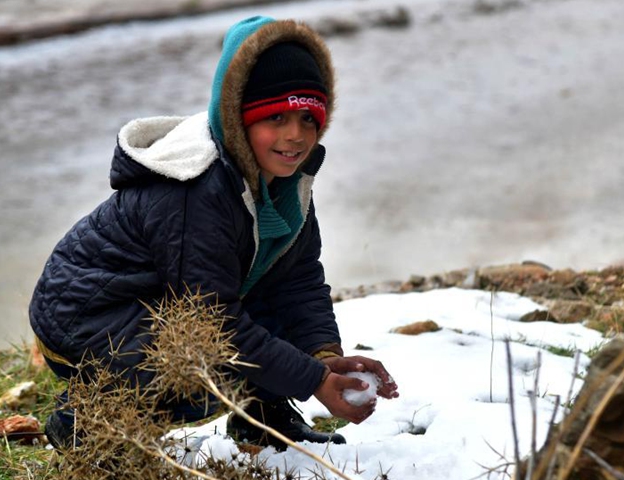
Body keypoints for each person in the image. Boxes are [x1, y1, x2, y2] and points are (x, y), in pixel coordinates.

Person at [29, 15, 399, 451]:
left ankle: (261, 422)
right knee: (207, 372)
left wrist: (323, 355)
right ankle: (86, 422)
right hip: (85, 317)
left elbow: (297, 280)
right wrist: (313, 380)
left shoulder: (283, 181)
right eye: (275, 117)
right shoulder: (196, 190)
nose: (294, 135)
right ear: (238, 118)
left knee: (266, 300)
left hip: (157, 300)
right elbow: (214, 322)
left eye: (308, 118)